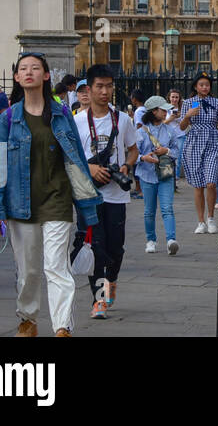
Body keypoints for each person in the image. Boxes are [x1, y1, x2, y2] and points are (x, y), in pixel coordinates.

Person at [0, 51, 101, 338]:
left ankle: (62, 327)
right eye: (23, 68)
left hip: (57, 200)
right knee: (28, 273)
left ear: (46, 75)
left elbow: (76, 159)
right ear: (16, 77)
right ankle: (28, 319)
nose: (29, 72)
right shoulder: (8, 118)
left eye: (35, 68)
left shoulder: (62, 114)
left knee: (56, 266)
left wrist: (86, 204)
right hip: (19, 204)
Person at [73, 64, 139, 319]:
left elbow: (132, 149)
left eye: (108, 86)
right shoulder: (77, 121)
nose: (104, 91)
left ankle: (112, 279)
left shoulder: (123, 120)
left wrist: (127, 164)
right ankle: (98, 300)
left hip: (115, 194)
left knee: (115, 247)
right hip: (88, 194)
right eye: (99, 86)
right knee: (95, 246)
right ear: (88, 90)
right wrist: (89, 169)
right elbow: (70, 157)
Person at [179, 72, 218, 235]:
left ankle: (211, 218)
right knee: (198, 185)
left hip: (212, 140)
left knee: (211, 182)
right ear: (195, 86)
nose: (204, 87)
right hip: (194, 142)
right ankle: (200, 221)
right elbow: (182, 127)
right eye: (201, 85)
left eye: (207, 84)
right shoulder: (188, 103)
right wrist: (187, 115)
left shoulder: (217, 102)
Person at [135, 96, 179, 256]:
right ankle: (150, 240)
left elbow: (176, 151)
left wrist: (166, 151)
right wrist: (143, 157)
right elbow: (133, 154)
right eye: (162, 110)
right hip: (147, 174)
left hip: (165, 174)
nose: (166, 112)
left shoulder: (169, 130)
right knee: (149, 210)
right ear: (154, 112)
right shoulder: (141, 131)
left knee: (167, 208)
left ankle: (171, 240)